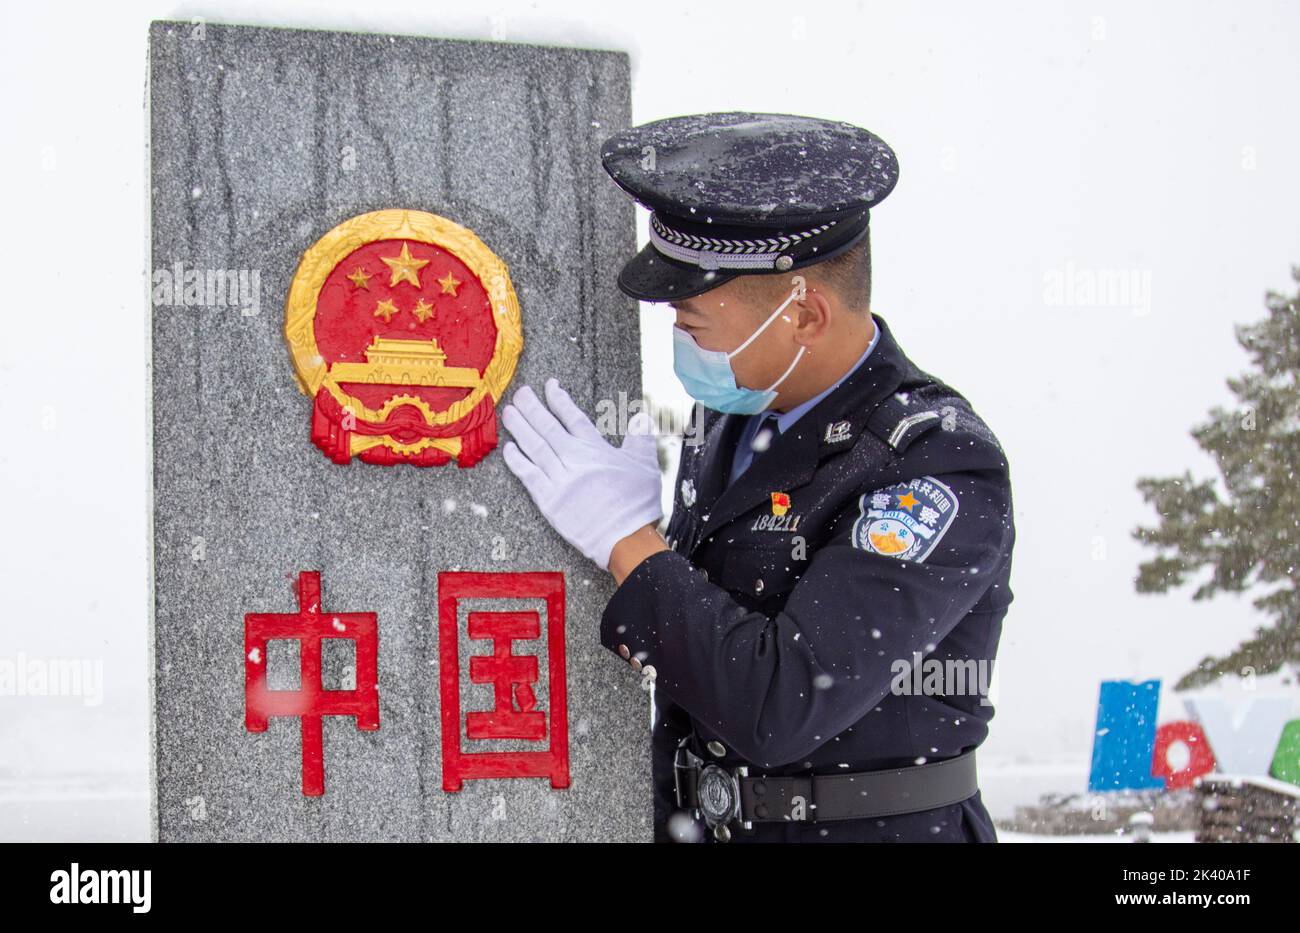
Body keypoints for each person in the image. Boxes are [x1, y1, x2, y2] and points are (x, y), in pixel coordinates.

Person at [500, 112, 1016, 843]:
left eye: (694, 323)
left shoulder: (932, 462)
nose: (682, 341)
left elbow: (784, 701)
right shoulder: (732, 418)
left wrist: (628, 543)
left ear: (803, 313)